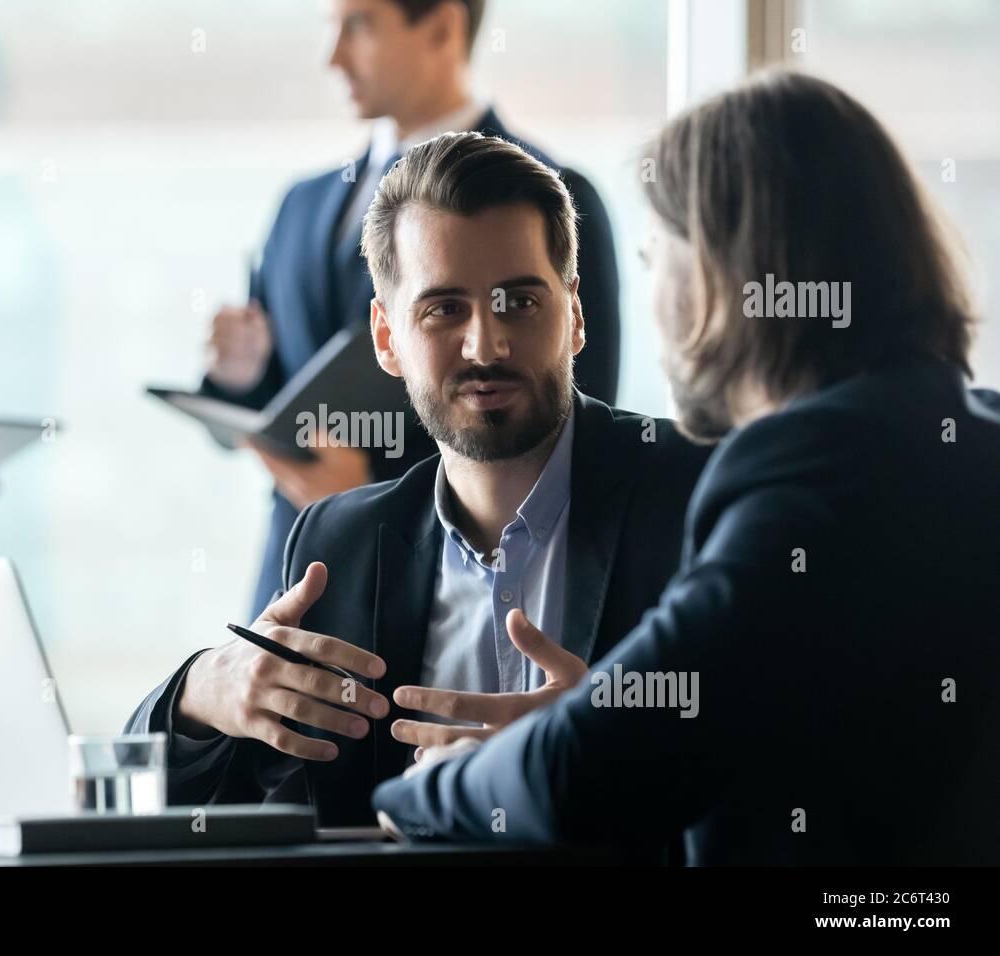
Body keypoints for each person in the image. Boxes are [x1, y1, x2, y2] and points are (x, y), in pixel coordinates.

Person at [371, 70, 1000, 864]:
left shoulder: (805, 482)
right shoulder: (965, 439)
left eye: (653, 255)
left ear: (724, 276)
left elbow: (587, 764)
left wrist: (416, 792)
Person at [127, 134, 706, 828]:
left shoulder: (699, 495)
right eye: (444, 309)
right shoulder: (341, 543)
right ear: (385, 337)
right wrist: (201, 693)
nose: (485, 346)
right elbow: (209, 809)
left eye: (518, 303)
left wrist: (605, 747)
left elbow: (802, 755)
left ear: (575, 314)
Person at [206, 0, 621, 618]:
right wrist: (237, 376)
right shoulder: (300, 204)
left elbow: (578, 424)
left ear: (444, 26)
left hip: (466, 596)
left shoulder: (552, 196)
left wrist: (378, 494)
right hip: (291, 581)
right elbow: (264, 405)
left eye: (361, 25)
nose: (334, 56)